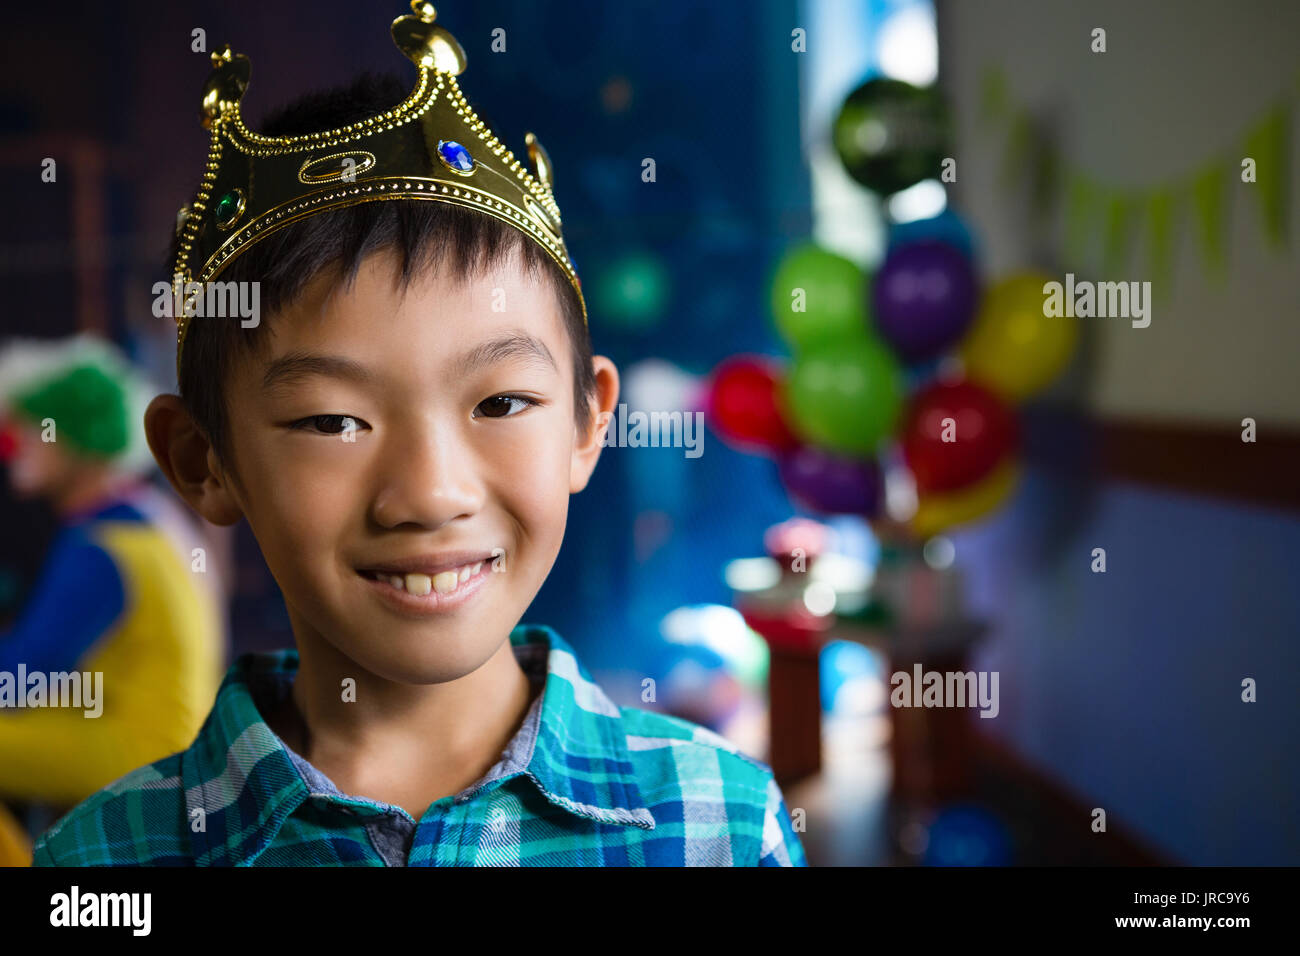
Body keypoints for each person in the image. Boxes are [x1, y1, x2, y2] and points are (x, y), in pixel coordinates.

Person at [33, 2, 806, 866]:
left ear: (589, 423)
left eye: (501, 403)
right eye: (334, 421)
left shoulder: (719, 825)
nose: (432, 492)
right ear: (200, 459)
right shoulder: (102, 861)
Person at [0, 335, 226, 827]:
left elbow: (19, 678)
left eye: (33, 426)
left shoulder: (102, 541)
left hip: (143, 749)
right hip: (170, 740)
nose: (13, 442)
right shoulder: (143, 515)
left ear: (79, 434)